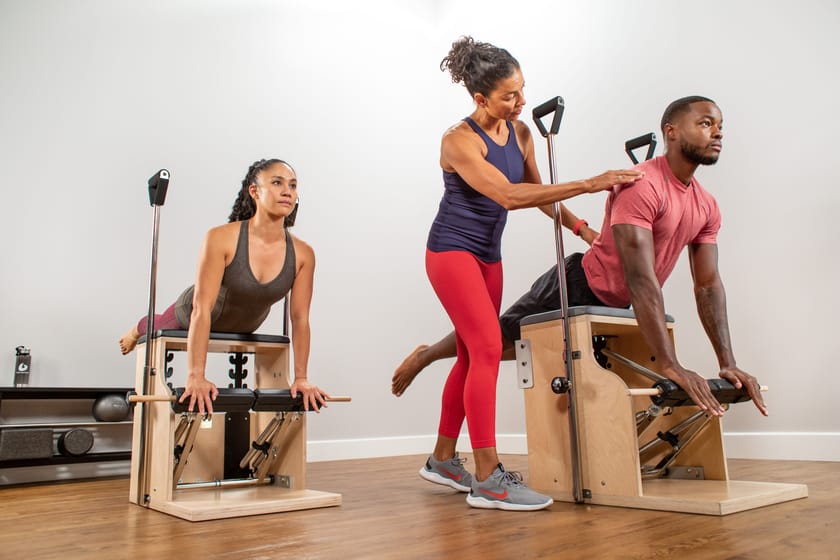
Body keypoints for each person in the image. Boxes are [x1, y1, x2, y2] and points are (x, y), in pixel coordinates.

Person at [394, 95, 768, 419]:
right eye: (705, 123)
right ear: (671, 131)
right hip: (576, 286)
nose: (717, 132)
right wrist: (670, 364)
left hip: (621, 303)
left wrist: (727, 362)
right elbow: (641, 280)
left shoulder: (706, 205)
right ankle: (427, 355)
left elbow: (708, 285)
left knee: (494, 345)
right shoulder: (642, 184)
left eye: (719, 125)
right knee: (494, 341)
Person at [418, 36, 643, 512]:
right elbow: (508, 196)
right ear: (480, 99)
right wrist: (589, 182)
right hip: (451, 252)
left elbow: (538, 194)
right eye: (509, 96)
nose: (521, 102)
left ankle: (442, 459)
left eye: (522, 90)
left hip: (488, 256)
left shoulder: (519, 133)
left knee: (467, 354)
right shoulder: (457, 140)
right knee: (484, 349)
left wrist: (583, 229)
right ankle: (487, 478)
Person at [119, 158, 329, 414]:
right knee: (160, 325)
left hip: (246, 322)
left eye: (293, 186)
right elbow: (202, 309)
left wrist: (301, 378)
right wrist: (196, 375)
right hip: (195, 309)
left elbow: (300, 318)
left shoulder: (303, 253)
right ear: (254, 191)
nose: (288, 191)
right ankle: (141, 325)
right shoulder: (221, 238)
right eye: (277, 183)